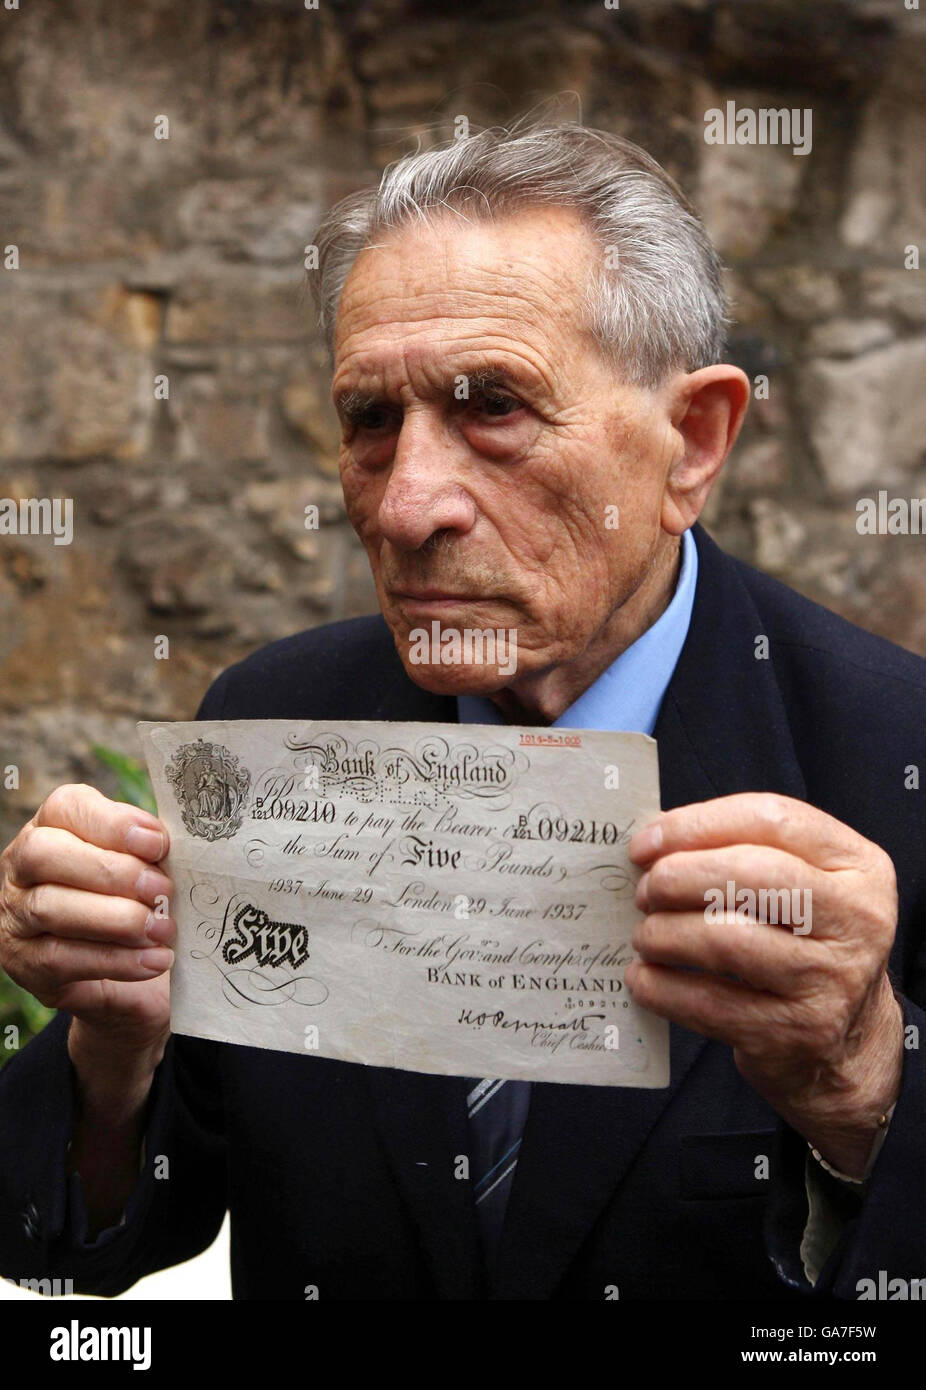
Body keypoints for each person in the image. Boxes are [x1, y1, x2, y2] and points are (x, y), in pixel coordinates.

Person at [0, 120, 923, 1300]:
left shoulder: (893, 754)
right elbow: (93, 1239)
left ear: (692, 442)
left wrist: (861, 1087)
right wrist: (111, 1048)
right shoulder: (275, 723)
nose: (404, 504)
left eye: (490, 406)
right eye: (369, 421)